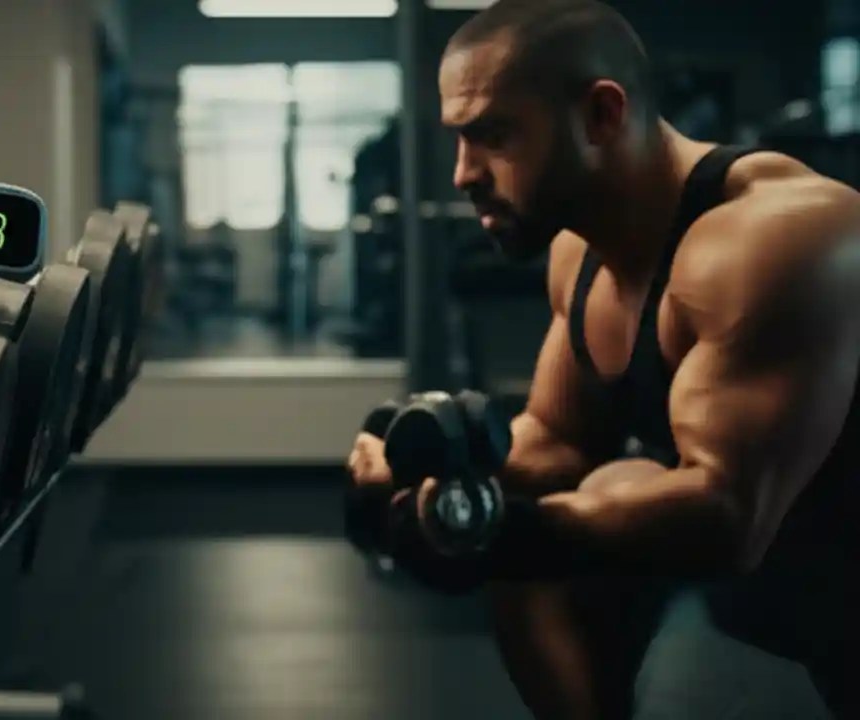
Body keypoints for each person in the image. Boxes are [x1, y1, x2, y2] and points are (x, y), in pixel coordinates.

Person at [346, 1, 858, 718]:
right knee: (568, 531)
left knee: (588, 512)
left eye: (493, 135)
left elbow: (726, 516)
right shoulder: (579, 253)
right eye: (460, 140)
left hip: (808, 583)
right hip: (791, 584)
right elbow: (556, 442)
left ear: (602, 116)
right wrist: (420, 471)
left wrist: (499, 529)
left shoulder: (771, 242)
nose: (463, 173)